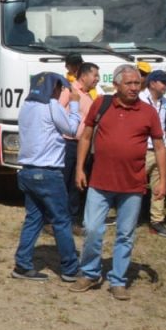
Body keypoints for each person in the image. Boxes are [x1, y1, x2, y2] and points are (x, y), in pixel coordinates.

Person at [72, 64, 166, 300]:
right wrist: (79, 168)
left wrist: (163, 180)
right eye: (129, 83)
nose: (135, 87)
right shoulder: (101, 104)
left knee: (125, 234)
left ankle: (118, 280)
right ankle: (90, 272)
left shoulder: (148, 112)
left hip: (133, 185)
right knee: (92, 229)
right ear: (116, 85)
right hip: (100, 182)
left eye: (138, 83)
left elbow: (159, 147)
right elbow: (85, 137)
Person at [11, 73, 80, 281]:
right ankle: (70, 268)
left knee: (34, 218)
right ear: (53, 89)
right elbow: (72, 129)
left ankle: (22, 265)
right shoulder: (51, 105)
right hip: (48, 173)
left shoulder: (26, 106)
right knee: (61, 220)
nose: (61, 93)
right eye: (59, 88)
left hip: (27, 171)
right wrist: (75, 106)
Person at [65, 62, 100, 230]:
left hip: (82, 145)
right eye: (95, 75)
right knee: (66, 181)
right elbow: (57, 112)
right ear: (84, 76)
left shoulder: (88, 96)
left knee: (77, 183)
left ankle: (73, 218)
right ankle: (59, 219)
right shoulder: (70, 90)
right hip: (67, 144)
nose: (97, 79)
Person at [139, 70, 166, 238]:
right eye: (163, 82)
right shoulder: (139, 99)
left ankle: (157, 220)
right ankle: (127, 215)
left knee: (160, 183)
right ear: (152, 83)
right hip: (141, 148)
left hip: (159, 148)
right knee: (132, 182)